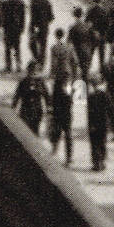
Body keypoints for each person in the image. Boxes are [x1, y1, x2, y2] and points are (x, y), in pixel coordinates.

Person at [48, 29, 79, 165]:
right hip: (68, 83)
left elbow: (54, 65)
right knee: (68, 130)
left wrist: (52, 75)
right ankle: (69, 156)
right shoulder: (70, 47)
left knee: (56, 123)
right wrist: (74, 78)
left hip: (59, 84)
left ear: (56, 36)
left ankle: (55, 148)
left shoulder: (54, 48)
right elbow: (75, 63)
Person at [12, 61, 50, 136]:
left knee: (35, 132)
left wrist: (49, 107)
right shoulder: (23, 82)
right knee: (25, 132)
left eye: (35, 71)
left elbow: (46, 95)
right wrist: (13, 108)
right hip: (25, 111)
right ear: (28, 71)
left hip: (37, 111)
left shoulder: (40, 82)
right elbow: (17, 96)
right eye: (32, 71)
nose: (33, 73)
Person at [86, 74, 112, 172]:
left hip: (94, 124)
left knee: (94, 144)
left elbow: (90, 113)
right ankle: (102, 161)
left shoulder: (91, 96)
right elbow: (111, 111)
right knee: (102, 142)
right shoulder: (105, 95)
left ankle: (96, 163)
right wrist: (111, 125)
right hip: (104, 124)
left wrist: (90, 125)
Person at [1, 0, 27, 73]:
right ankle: (18, 65)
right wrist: (22, 28)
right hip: (17, 28)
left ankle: (8, 66)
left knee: (7, 48)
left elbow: (2, 17)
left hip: (7, 28)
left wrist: (2, 27)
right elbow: (23, 17)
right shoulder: (21, 3)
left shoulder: (5, 3)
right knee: (17, 47)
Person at [68, 7, 97, 80]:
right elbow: (95, 40)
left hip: (77, 53)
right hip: (87, 52)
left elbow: (69, 43)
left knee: (74, 75)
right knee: (85, 74)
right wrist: (91, 50)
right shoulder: (88, 27)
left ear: (74, 16)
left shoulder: (73, 28)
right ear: (82, 15)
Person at [29, 0, 54, 67]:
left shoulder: (34, 2)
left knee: (32, 44)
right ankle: (41, 64)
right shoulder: (48, 3)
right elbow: (51, 17)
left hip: (35, 27)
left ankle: (36, 58)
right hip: (44, 28)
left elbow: (33, 17)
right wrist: (45, 22)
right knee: (43, 46)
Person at [86, 0, 108, 71]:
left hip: (93, 35)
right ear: (101, 1)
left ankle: (87, 70)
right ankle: (102, 73)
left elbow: (87, 23)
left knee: (90, 55)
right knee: (102, 56)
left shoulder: (91, 10)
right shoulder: (105, 11)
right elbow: (107, 25)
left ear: (94, 1)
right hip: (102, 36)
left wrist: (93, 31)